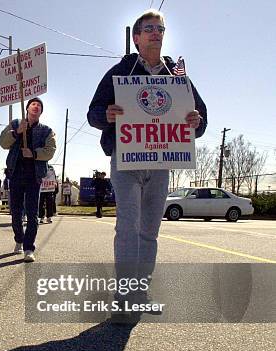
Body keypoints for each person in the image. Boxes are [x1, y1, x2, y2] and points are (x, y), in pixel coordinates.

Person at [87, 9, 207, 315]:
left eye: (161, 29)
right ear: (137, 37)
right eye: (150, 28)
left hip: (161, 162)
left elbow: (200, 118)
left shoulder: (175, 76)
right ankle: (124, 298)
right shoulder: (121, 72)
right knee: (128, 226)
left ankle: (140, 292)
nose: (156, 33)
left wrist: (196, 120)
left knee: (150, 231)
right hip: (126, 161)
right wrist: (107, 115)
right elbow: (93, 113)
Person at [0, 97, 56, 262]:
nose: (36, 107)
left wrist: (34, 153)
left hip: (34, 176)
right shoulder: (15, 124)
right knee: (16, 212)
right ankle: (19, 238)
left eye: (39, 105)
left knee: (32, 213)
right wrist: (16, 132)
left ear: (41, 111)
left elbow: (50, 151)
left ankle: (29, 247)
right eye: (33, 104)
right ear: (27, 108)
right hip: (16, 174)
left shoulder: (47, 130)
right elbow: (3, 142)